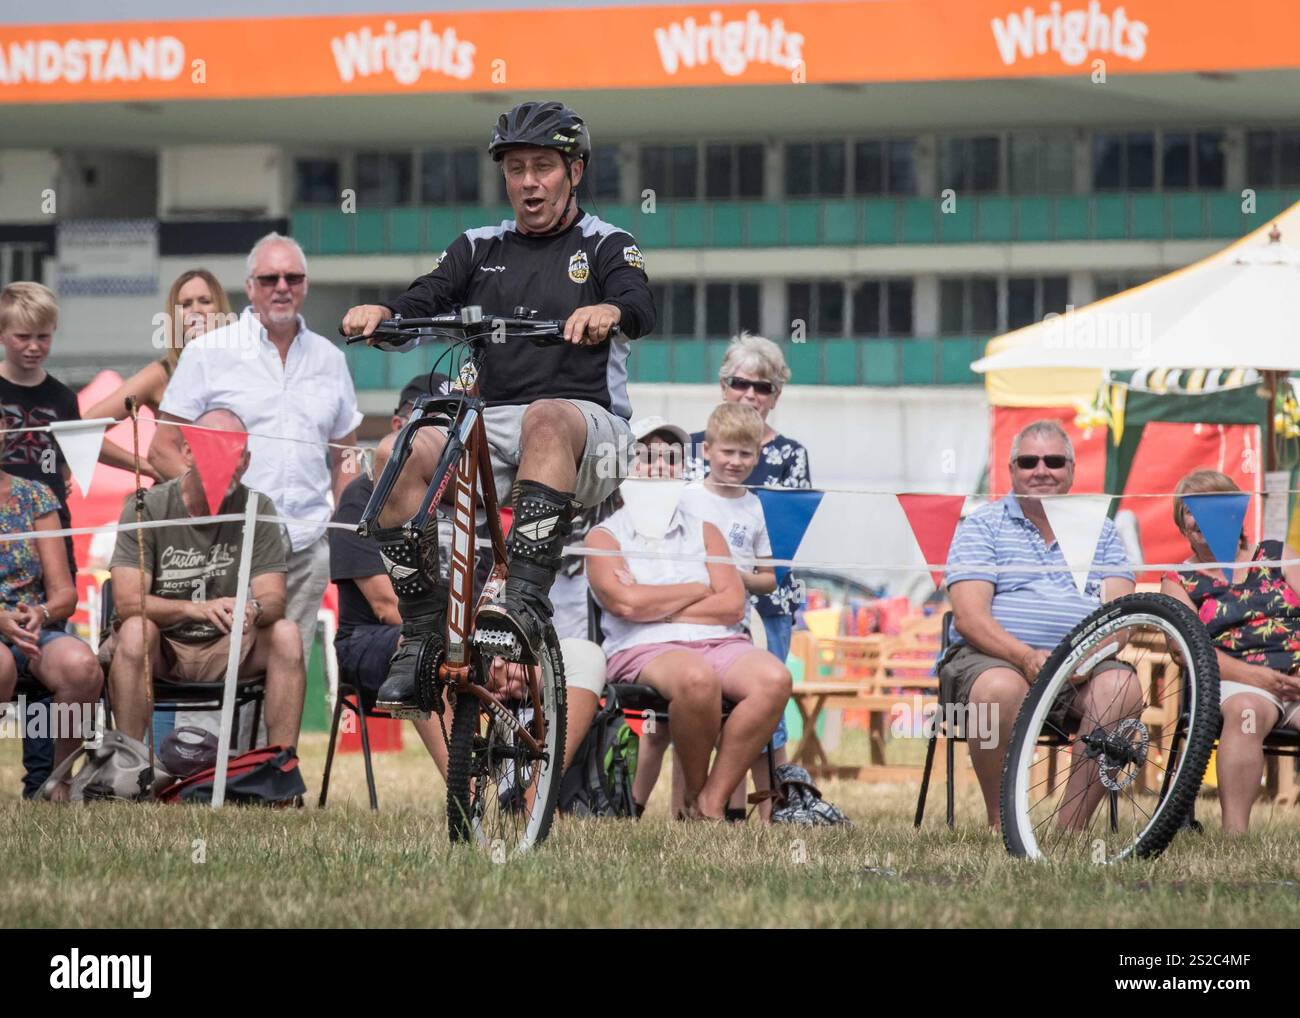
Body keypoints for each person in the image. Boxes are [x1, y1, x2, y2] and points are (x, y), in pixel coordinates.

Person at [339, 100, 655, 714]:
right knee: (393, 451)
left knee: (545, 414)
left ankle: (524, 602)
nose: (529, 182)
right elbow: (425, 297)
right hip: (497, 426)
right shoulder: (478, 246)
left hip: (591, 430)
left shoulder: (609, 242)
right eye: (516, 169)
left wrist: (608, 311)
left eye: (543, 166)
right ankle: (422, 634)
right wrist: (386, 316)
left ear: (575, 171)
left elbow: (639, 304)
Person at [330, 373, 607, 775]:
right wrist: (477, 649)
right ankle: (464, 787)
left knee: (586, 657)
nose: (445, 438)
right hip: (379, 639)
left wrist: (498, 651)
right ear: (400, 427)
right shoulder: (365, 491)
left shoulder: (480, 496)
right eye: (434, 424)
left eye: (457, 425)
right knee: (426, 646)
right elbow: (386, 604)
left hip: (470, 636)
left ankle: (535, 799)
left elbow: (502, 589)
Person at [151, 233, 363, 669]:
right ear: (249, 287)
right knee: (220, 673)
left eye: (292, 277)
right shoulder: (209, 353)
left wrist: (339, 530)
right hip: (230, 543)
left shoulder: (330, 359)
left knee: (289, 666)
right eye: (269, 278)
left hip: (307, 545)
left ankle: (278, 744)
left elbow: (346, 453)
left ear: (305, 285)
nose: (281, 287)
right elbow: (163, 447)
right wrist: (211, 513)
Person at [585, 423, 791, 820]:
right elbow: (625, 605)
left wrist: (656, 602)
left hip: (720, 640)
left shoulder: (706, 530)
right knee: (697, 679)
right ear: (625, 464)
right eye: (647, 456)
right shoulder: (605, 536)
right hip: (643, 647)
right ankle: (694, 797)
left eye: (669, 458)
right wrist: (700, 586)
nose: (660, 465)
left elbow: (732, 604)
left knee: (775, 679)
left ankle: (710, 800)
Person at [941, 418, 1139, 829]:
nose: (1041, 470)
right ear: (1011, 470)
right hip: (993, 660)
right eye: (1029, 461)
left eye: (1053, 461)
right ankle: (1004, 822)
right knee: (1000, 688)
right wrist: (1027, 656)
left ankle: (1070, 828)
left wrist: (1080, 661)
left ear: (1071, 471)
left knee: (1122, 687)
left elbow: (1122, 619)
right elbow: (969, 617)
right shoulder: (982, 525)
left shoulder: (1101, 531)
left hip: (1082, 668)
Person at [101, 409, 305, 751]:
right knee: (136, 629)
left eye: (237, 454)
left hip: (228, 645)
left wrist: (253, 608)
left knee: (286, 633)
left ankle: (279, 769)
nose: (228, 462)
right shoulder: (146, 506)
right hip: (161, 645)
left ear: (248, 460)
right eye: (215, 450)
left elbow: (274, 600)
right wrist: (198, 609)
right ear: (188, 452)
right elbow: (127, 602)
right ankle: (130, 764)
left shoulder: (258, 506)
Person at [686, 332, 808, 772]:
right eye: (740, 383)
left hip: (766, 598)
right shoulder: (691, 444)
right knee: (698, 696)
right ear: (722, 386)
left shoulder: (791, 454)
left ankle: (772, 802)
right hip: (696, 595)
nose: (750, 394)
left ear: (776, 396)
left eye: (763, 386)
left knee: (766, 699)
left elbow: (782, 535)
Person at [1161, 469, 1300, 835]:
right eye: (1190, 510)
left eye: (1210, 505)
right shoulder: (1177, 580)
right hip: (1235, 680)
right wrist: (1258, 677)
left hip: (1297, 674)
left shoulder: (1276, 554)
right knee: (1247, 714)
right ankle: (1234, 837)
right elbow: (1184, 648)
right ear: (1181, 523)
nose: (1199, 518)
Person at [0, 281, 86, 796]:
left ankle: (46, 779)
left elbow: (78, 452)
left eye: (44, 337)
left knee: (48, 653)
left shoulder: (62, 398)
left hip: (45, 524)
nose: (34, 346)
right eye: (23, 336)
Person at [0, 428, 103, 801]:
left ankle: (59, 781)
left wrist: (40, 613)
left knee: (82, 665)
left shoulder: (35, 495)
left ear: (4, 433)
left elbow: (64, 594)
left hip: (31, 626)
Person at [85, 268, 233, 480]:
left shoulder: (242, 368)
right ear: (175, 316)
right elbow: (83, 428)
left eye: (205, 301)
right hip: (181, 500)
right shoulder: (162, 373)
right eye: (186, 304)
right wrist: (149, 467)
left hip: (237, 498)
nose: (196, 310)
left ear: (221, 309)